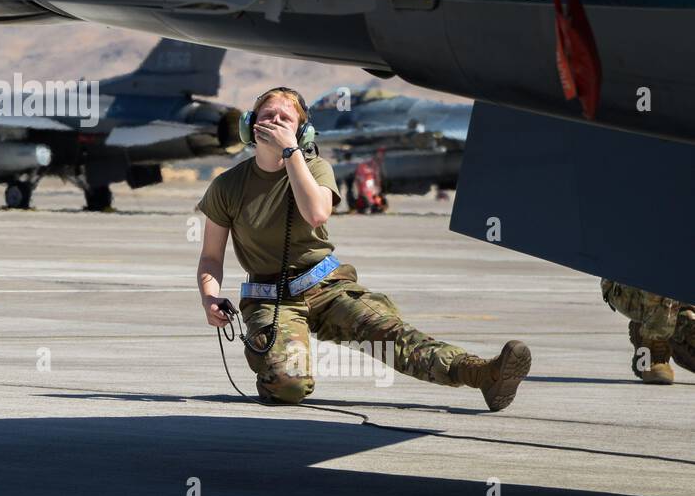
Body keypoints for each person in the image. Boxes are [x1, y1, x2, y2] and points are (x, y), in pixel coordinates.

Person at [196, 86, 532, 411]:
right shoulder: (227, 186)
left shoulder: (315, 168)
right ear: (249, 124)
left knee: (389, 335)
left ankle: (484, 374)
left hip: (326, 287)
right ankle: (277, 361)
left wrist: (291, 153)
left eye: (286, 118)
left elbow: (316, 213)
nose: (275, 122)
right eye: (267, 114)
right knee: (289, 385)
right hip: (270, 298)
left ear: (302, 133)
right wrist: (210, 298)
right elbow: (211, 257)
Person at [600, 279, 695, 384]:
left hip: (680, 297)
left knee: (688, 323)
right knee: (668, 279)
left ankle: (655, 328)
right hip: (629, 286)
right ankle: (655, 355)